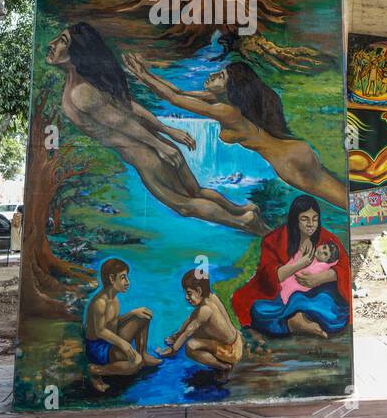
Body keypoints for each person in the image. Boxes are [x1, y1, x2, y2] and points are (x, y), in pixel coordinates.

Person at [47, 24, 262, 233]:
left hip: (147, 155)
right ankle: (241, 209)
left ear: (77, 52)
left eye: (62, 41)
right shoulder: (90, 84)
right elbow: (130, 108)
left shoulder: (80, 92)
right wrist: (167, 134)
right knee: (195, 191)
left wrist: (160, 146)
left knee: (183, 205)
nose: (52, 43)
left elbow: (123, 122)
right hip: (157, 144)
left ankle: (243, 221)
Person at [122, 55, 348, 209]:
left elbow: (173, 99)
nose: (213, 76)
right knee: (341, 192)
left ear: (231, 88)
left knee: (341, 199)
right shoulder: (222, 101)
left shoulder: (226, 111)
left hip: (289, 160)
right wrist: (145, 73)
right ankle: (369, 207)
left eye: (221, 76)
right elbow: (177, 90)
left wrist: (141, 75)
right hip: (291, 154)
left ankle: (371, 213)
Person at [231, 196, 351, 339]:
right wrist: (300, 264)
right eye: (305, 219)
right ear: (295, 219)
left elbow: (344, 266)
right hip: (284, 297)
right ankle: (296, 322)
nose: (311, 224)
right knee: (259, 310)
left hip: (315, 295)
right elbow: (270, 277)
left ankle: (299, 320)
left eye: (314, 219)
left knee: (335, 308)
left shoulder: (325, 239)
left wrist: (319, 278)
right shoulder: (274, 240)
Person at [83, 258, 160, 393]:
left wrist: (132, 313)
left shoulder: (114, 299)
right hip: (99, 348)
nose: (127, 282)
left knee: (143, 315)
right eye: (123, 277)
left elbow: (114, 322)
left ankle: (144, 354)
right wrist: (122, 344)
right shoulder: (100, 303)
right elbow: (100, 331)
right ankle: (96, 370)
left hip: (111, 340)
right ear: (112, 279)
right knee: (135, 363)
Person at [159, 269, 243, 380]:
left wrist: (173, 350)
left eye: (189, 293)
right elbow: (192, 317)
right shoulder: (211, 297)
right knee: (196, 327)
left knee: (190, 346)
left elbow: (189, 331)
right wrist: (177, 335)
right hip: (236, 341)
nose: (186, 297)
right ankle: (177, 337)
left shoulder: (205, 310)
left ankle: (223, 366)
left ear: (199, 290)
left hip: (231, 352)